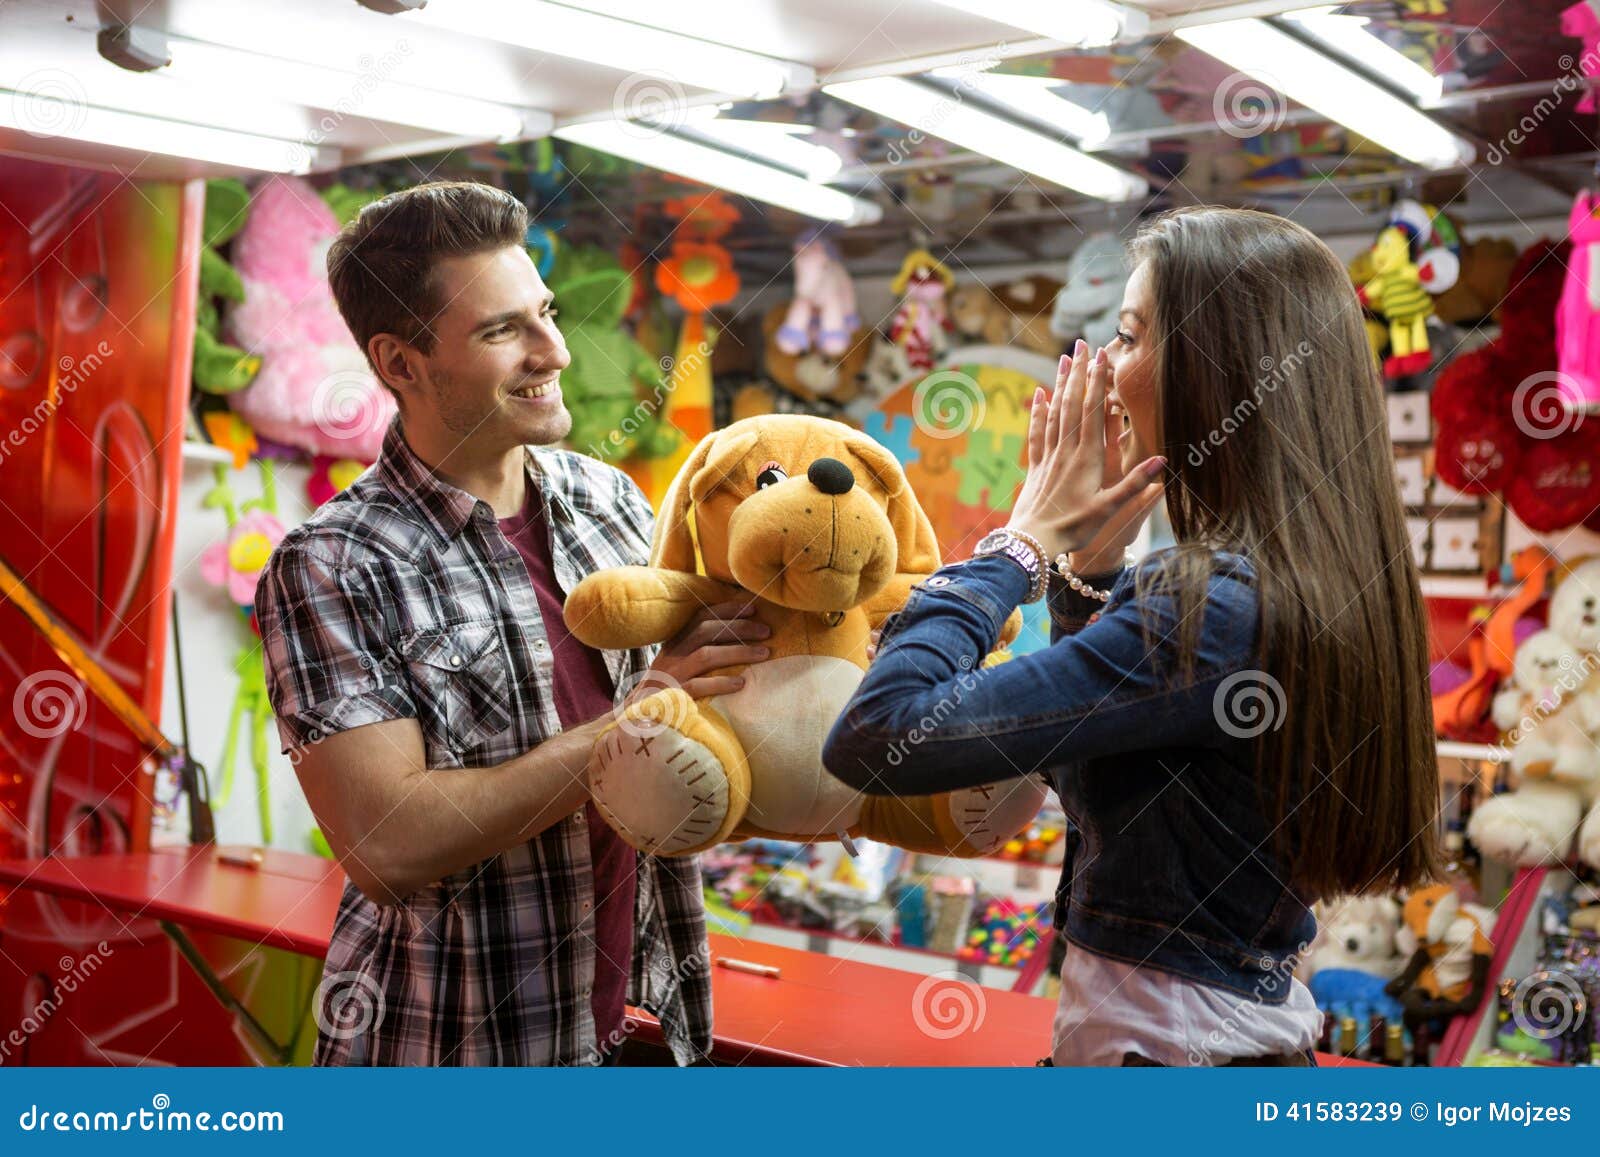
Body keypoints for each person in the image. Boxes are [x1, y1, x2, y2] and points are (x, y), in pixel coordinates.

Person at [823, 207, 1439, 1067]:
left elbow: (878, 734)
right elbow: (1121, 754)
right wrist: (1093, 572)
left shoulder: (1208, 603)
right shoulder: (1293, 581)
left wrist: (1020, 543)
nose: (1105, 366)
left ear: (1214, 369)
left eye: (1128, 335)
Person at [255, 181, 771, 1066]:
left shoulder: (609, 501)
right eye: (503, 331)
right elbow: (390, 845)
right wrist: (637, 723)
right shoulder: (333, 564)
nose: (555, 351)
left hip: (621, 1031)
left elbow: (697, 719)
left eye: (547, 312)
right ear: (400, 362)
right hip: (445, 1052)